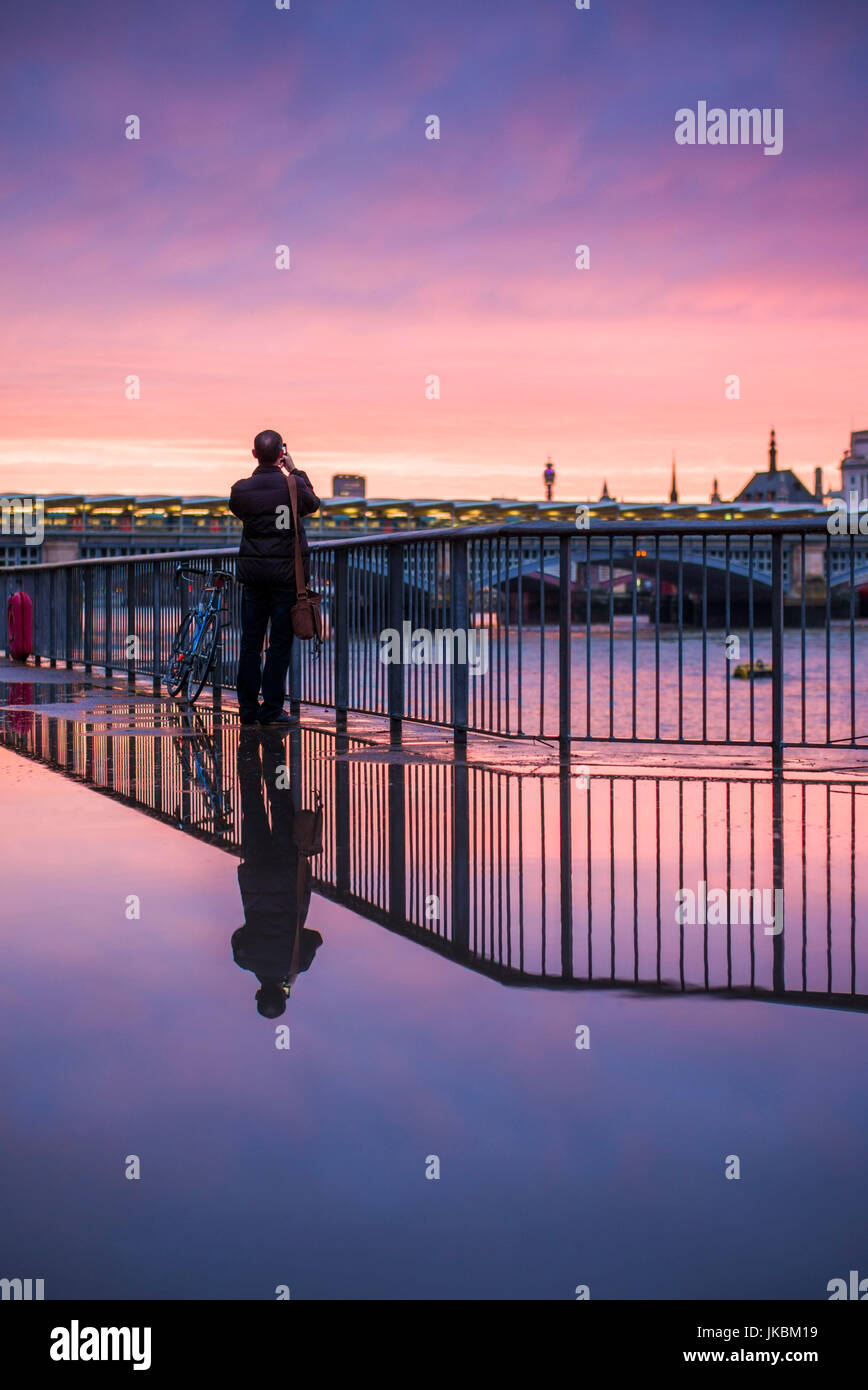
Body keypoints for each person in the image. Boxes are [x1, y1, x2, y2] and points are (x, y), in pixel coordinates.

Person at [229, 429, 320, 727]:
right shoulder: (292, 486)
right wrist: (294, 470)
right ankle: (271, 710)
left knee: (250, 644)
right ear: (281, 454)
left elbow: (239, 511)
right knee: (279, 645)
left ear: (254, 454)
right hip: (285, 580)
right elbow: (313, 503)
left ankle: (246, 710)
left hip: (254, 580)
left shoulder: (241, 490)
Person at [231, 730, 323, 1017]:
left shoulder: (298, 964)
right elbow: (238, 936)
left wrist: (290, 977)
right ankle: (247, 753)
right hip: (256, 876)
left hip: (287, 874)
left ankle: (273, 750)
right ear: (258, 992)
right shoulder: (245, 959)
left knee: (282, 804)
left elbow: (315, 937)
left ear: (283, 994)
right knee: (253, 808)